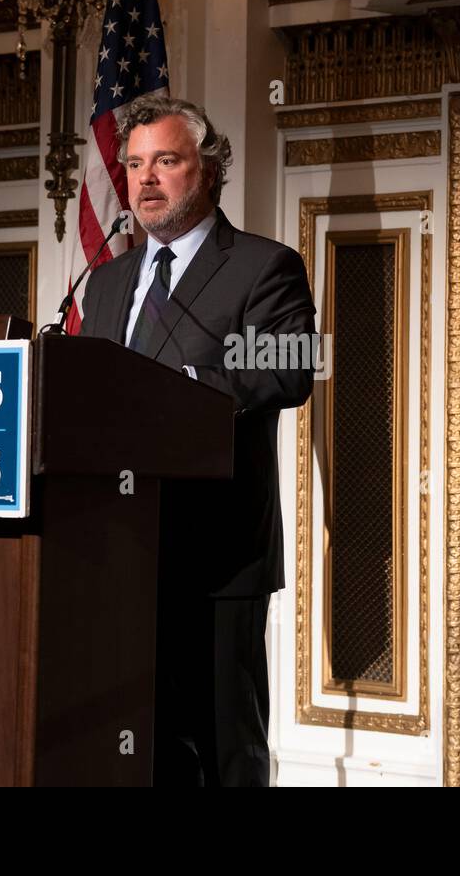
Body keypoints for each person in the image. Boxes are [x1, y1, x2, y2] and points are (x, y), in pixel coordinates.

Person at [79, 94, 316, 786]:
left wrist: (178, 382)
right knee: (136, 744)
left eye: (166, 161)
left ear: (208, 170)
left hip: (217, 557)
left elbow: (286, 369)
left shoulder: (262, 266)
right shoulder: (108, 279)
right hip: (114, 554)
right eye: (133, 165)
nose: (144, 179)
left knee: (223, 748)